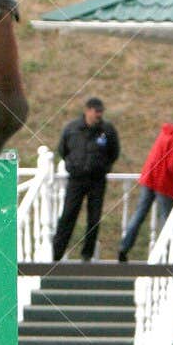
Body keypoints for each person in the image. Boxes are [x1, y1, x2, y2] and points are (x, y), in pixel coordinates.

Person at [118, 106, 173, 261]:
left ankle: (124, 247)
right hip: (165, 183)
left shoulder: (167, 133)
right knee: (166, 219)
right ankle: (165, 254)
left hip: (150, 178)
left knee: (139, 214)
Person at [51, 97, 121, 262]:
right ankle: (56, 254)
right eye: (96, 111)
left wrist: (104, 167)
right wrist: (73, 164)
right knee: (68, 215)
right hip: (76, 179)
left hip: (97, 180)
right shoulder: (72, 129)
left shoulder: (107, 130)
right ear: (87, 110)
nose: (99, 115)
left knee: (94, 218)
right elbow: (63, 149)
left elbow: (114, 152)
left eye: (101, 112)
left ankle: (87, 255)